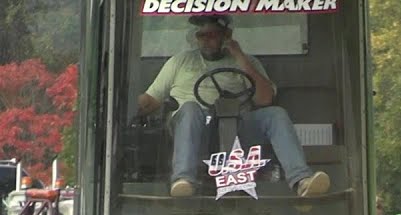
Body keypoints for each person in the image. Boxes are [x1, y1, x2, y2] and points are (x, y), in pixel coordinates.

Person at [136, 14, 330, 199]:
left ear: (225, 35)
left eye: (212, 35)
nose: (206, 40)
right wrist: (141, 104)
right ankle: (183, 180)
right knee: (190, 108)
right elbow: (151, 100)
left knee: (276, 114)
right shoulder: (180, 61)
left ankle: (302, 180)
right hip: (196, 129)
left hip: (237, 129)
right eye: (201, 35)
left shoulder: (246, 62)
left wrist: (238, 55)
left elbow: (265, 99)